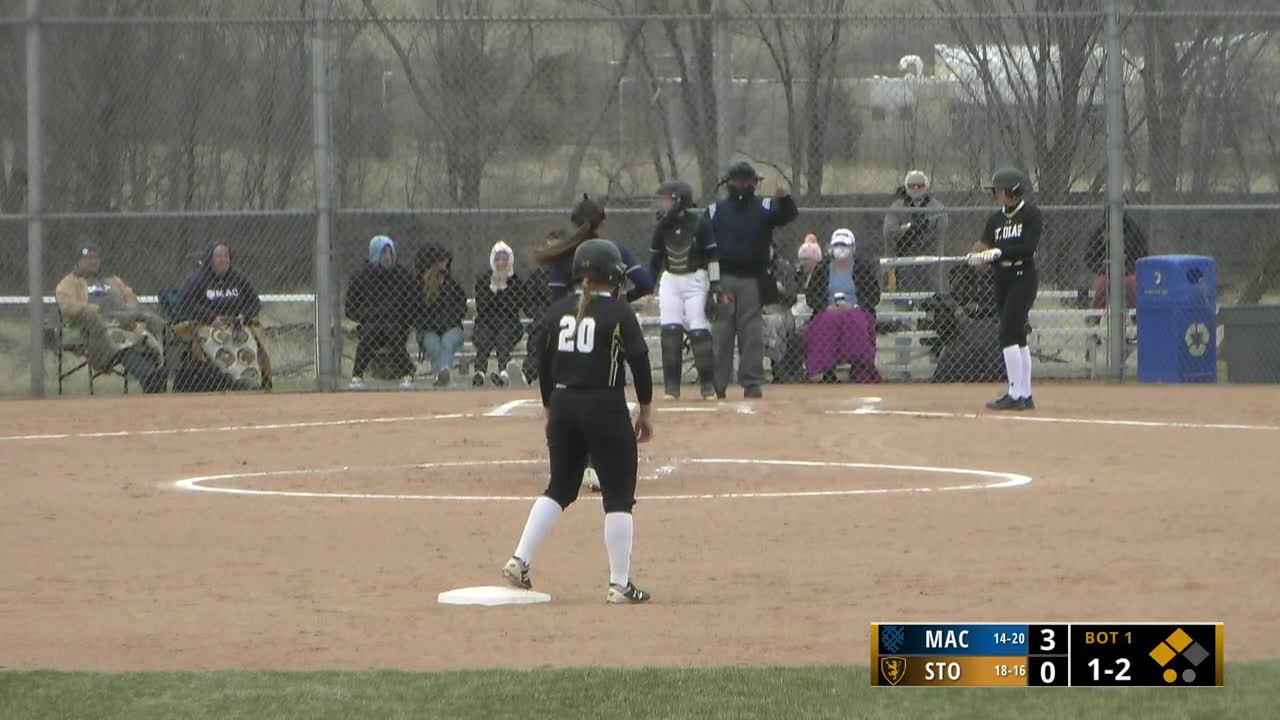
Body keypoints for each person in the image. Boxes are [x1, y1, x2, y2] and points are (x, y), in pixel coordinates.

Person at [500, 238, 654, 604]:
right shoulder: (619, 314)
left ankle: (519, 559)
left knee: (560, 487)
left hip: (564, 403)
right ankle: (619, 584)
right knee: (618, 496)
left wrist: (550, 407)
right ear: (613, 276)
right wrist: (645, 411)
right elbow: (641, 362)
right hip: (605, 406)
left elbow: (542, 362)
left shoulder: (557, 311)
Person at [704, 161, 798, 399]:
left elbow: (787, 215)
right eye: (738, 181)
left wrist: (784, 199)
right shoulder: (715, 210)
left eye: (748, 181)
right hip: (723, 278)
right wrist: (711, 281)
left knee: (752, 332)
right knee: (722, 332)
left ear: (755, 183)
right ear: (729, 183)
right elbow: (703, 246)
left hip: (753, 279)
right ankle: (718, 384)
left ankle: (752, 382)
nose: (743, 185)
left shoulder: (764, 206)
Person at [966, 167, 1042, 411]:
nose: (996, 195)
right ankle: (1025, 394)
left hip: (1023, 275)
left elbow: (1028, 247)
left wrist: (1000, 252)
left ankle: (1015, 392)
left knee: (1008, 331)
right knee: (1017, 335)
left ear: (1013, 191)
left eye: (999, 190)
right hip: (1002, 277)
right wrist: (979, 257)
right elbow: (984, 245)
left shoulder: (1031, 215)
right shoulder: (995, 220)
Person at [54, 239, 168, 393]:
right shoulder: (69, 282)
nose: (92, 262)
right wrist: (94, 309)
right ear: (78, 261)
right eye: (87, 258)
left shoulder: (111, 280)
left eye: (95, 258)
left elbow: (130, 296)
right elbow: (68, 306)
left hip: (124, 319)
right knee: (120, 338)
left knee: (155, 322)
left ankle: (165, 370)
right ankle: (149, 376)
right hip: (97, 326)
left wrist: (130, 311)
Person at [647, 180, 718, 400]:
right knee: (670, 331)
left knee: (698, 330)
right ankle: (671, 388)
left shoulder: (699, 224)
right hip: (670, 280)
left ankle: (708, 385)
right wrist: (649, 289)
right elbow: (656, 259)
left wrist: (715, 285)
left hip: (695, 278)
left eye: (667, 200)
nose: (662, 205)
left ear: (679, 201)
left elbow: (713, 256)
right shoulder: (662, 227)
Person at [173, 242, 272, 391]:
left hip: (236, 323)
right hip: (207, 324)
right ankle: (231, 380)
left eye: (226, 256)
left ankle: (250, 380)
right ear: (210, 259)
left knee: (247, 342)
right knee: (219, 341)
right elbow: (186, 303)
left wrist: (243, 315)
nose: (223, 260)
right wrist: (211, 318)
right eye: (218, 256)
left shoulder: (239, 278)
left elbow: (254, 302)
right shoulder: (197, 279)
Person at [532, 194, 654, 304]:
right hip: (610, 317)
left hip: (575, 320)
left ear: (573, 223)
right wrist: (622, 300)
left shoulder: (563, 252)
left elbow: (557, 299)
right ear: (603, 222)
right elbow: (646, 284)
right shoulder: (615, 250)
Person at [344, 234, 423, 390]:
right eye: (383, 253)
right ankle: (357, 376)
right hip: (371, 323)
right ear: (375, 254)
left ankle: (407, 373)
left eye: (389, 253)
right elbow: (350, 309)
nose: (387, 257)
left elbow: (413, 304)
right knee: (370, 333)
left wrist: (403, 319)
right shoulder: (361, 276)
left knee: (390, 330)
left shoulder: (402, 275)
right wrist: (367, 316)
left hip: (396, 324)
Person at [803, 229, 882, 383]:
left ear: (853, 248)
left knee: (856, 323)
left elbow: (873, 295)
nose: (841, 249)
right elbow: (811, 296)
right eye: (837, 245)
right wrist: (826, 307)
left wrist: (855, 306)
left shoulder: (862, 267)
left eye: (845, 246)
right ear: (831, 248)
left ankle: (860, 368)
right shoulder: (823, 268)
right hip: (829, 310)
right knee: (825, 324)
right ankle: (826, 371)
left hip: (855, 310)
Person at [928, 240, 1003, 383]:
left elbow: (999, 305)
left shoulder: (998, 275)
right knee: (956, 347)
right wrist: (959, 307)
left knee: (988, 339)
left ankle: (990, 374)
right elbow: (955, 295)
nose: (975, 263)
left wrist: (978, 308)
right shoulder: (965, 273)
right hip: (966, 326)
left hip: (991, 324)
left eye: (979, 259)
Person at [882, 170, 949, 293]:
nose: (916, 188)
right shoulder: (897, 207)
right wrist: (913, 227)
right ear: (906, 188)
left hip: (930, 266)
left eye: (920, 185)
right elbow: (889, 232)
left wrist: (907, 229)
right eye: (911, 186)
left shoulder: (938, 207)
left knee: (933, 302)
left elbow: (938, 230)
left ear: (927, 187)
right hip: (902, 264)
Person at [472, 241, 526, 387]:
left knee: (503, 339)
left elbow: (514, 307)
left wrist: (503, 289)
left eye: (504, 259)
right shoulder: (484, 279)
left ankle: (504, 373)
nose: (501, 262)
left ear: (510, 260)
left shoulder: (515, 281)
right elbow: (481, 307)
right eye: (497, 259)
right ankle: (479, 374)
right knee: (484, 339)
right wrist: (493, 288)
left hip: (509, 323)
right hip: (486, 322)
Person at [415, 243, 467, 387]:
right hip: (428, 330)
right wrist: (432, 324)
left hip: (452, 328)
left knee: (447, 342)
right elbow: (415, 314)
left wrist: (448, 321)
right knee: (434, 345)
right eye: (441, 261)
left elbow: (461, 308)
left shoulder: (452, 284)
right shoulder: (419, 286)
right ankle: (443, 376)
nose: (445, 265)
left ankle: (442, 373)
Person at [1084, 213, 1148, 310]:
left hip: (1128, 272)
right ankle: (1095, 316)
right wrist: (1104, 268)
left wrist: (1127, 269)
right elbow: (1089, 257)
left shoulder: (1134, 230)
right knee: (1102, 284)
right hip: (1106, 271)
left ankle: (1136, 316)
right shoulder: (1101, 230)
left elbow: (1142, 256)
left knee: (1130, 284)